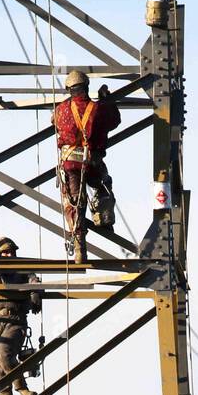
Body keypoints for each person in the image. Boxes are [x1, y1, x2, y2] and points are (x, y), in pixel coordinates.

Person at [53, 68, 121, 261]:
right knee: (104, 185)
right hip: (91, 162)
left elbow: (54, 122)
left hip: (70, 165)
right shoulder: (97, 109)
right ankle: (105, 219)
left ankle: (79, 248)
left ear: (69, 89)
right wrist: (106, 100)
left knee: (74, 202)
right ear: (86, 87)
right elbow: (114, 120)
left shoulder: (61, 110)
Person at [0, 236, 42, 395]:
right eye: (5, 252)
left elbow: (35, 281)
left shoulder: (22, 270)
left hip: (14, 319)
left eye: (11, 252)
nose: (9, 255)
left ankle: (22, 389)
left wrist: (35, 293)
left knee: (4, 356)